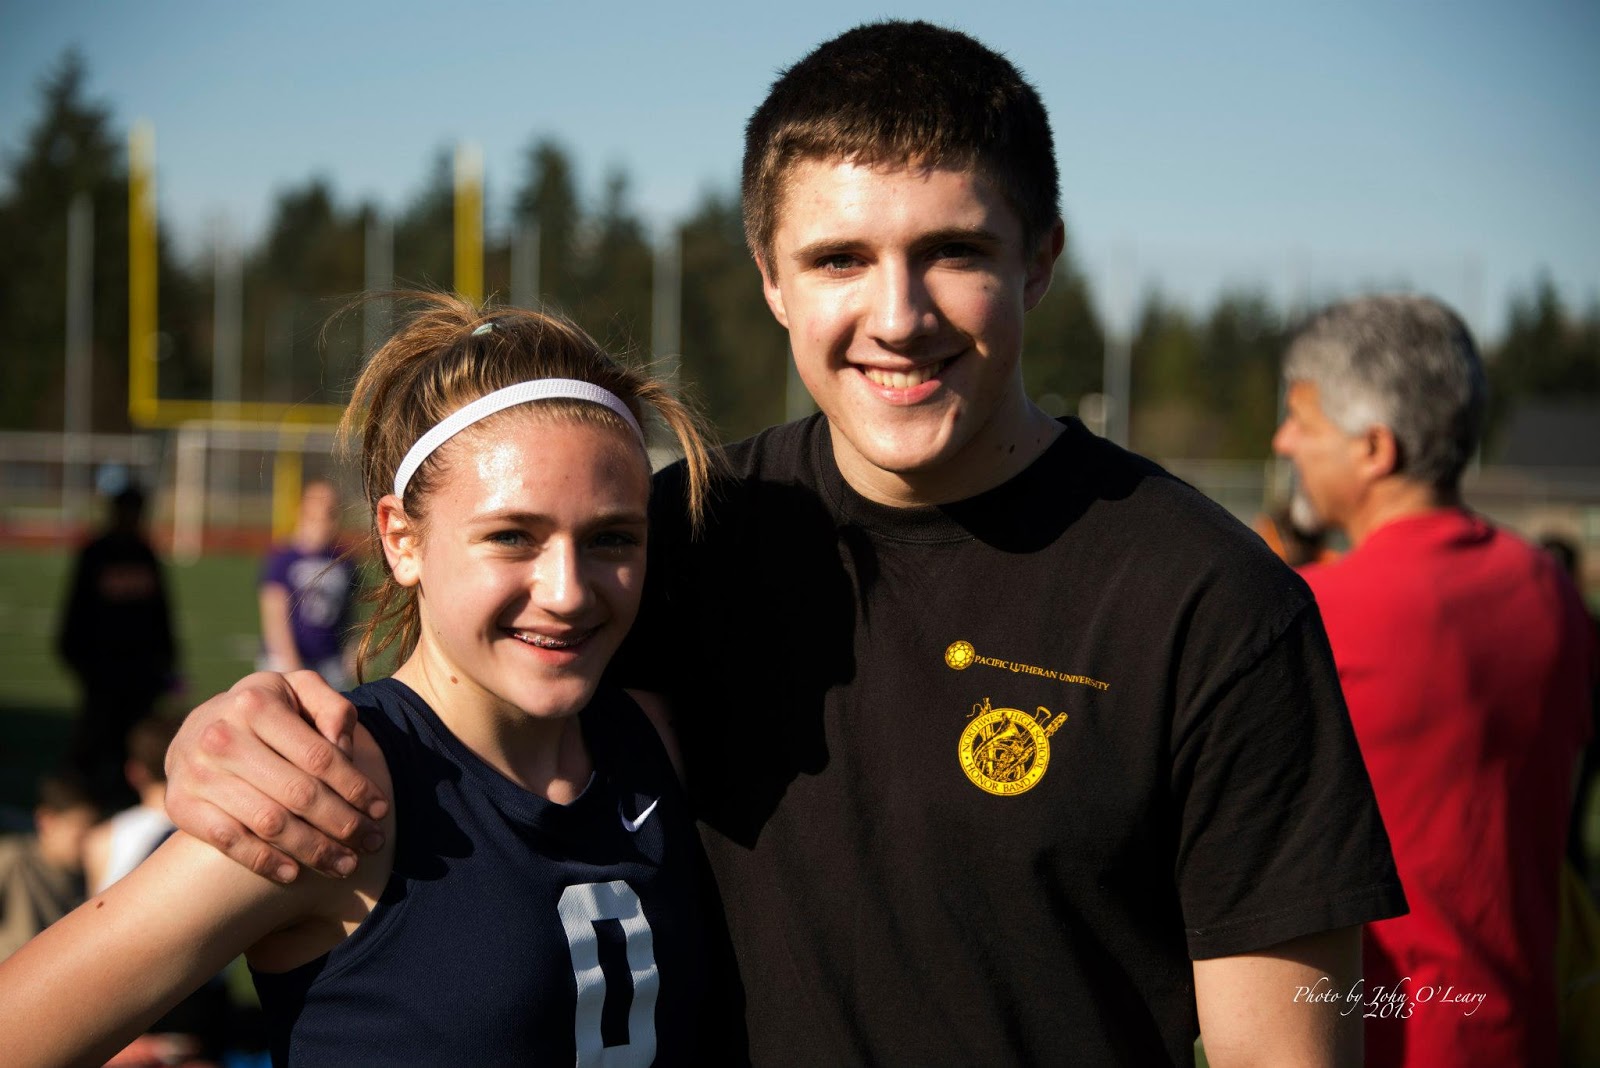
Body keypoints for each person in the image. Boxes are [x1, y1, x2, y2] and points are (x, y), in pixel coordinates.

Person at [161, 22, 1406, 1066]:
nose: (897, 316)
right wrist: (228, 737)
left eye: (955, 253)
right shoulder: (670, 545)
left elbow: (1285, 1052)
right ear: (769, 276)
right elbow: (459, 719)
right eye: (839, 259)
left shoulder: (1211, 604)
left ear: (1040, 264)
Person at [0, 295, 717, 1066]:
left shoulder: (661, 744)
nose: (569, 590)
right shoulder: (327, 786)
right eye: (512, 536)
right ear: (401, 540)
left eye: (613, 537)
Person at [1271, 294, 1594, 1068]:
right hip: (1523, 1025)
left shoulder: (1314, 612)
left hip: (1380, 1033)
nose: (1284, 441)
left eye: (1305, 424)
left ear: (1375, 449)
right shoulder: (1547, 590)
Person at [55, 481, 180, 807]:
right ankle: (81, 795)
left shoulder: (144, 553)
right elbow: (76, 610)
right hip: (102, 668)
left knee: (138, 738)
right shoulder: (96, 554)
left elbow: (160, 613)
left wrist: (167, 660)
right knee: (96, 735)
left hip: (141, 670)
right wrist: (76, 657)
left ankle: (128, 796)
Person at [257, 478, 359, 688]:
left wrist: (353, 650)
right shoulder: (283, 558)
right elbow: (275, 617)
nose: (324, 518)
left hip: (330, 661)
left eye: (331, 511)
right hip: (287, 662)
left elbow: (350, 612)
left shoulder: (344, 561)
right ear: (303, 509)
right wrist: (293, 666)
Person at [0, 774, 97, 962]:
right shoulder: (13, 861)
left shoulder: (86, 877)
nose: (89, 843)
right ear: (46, 821)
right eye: (81, 833)